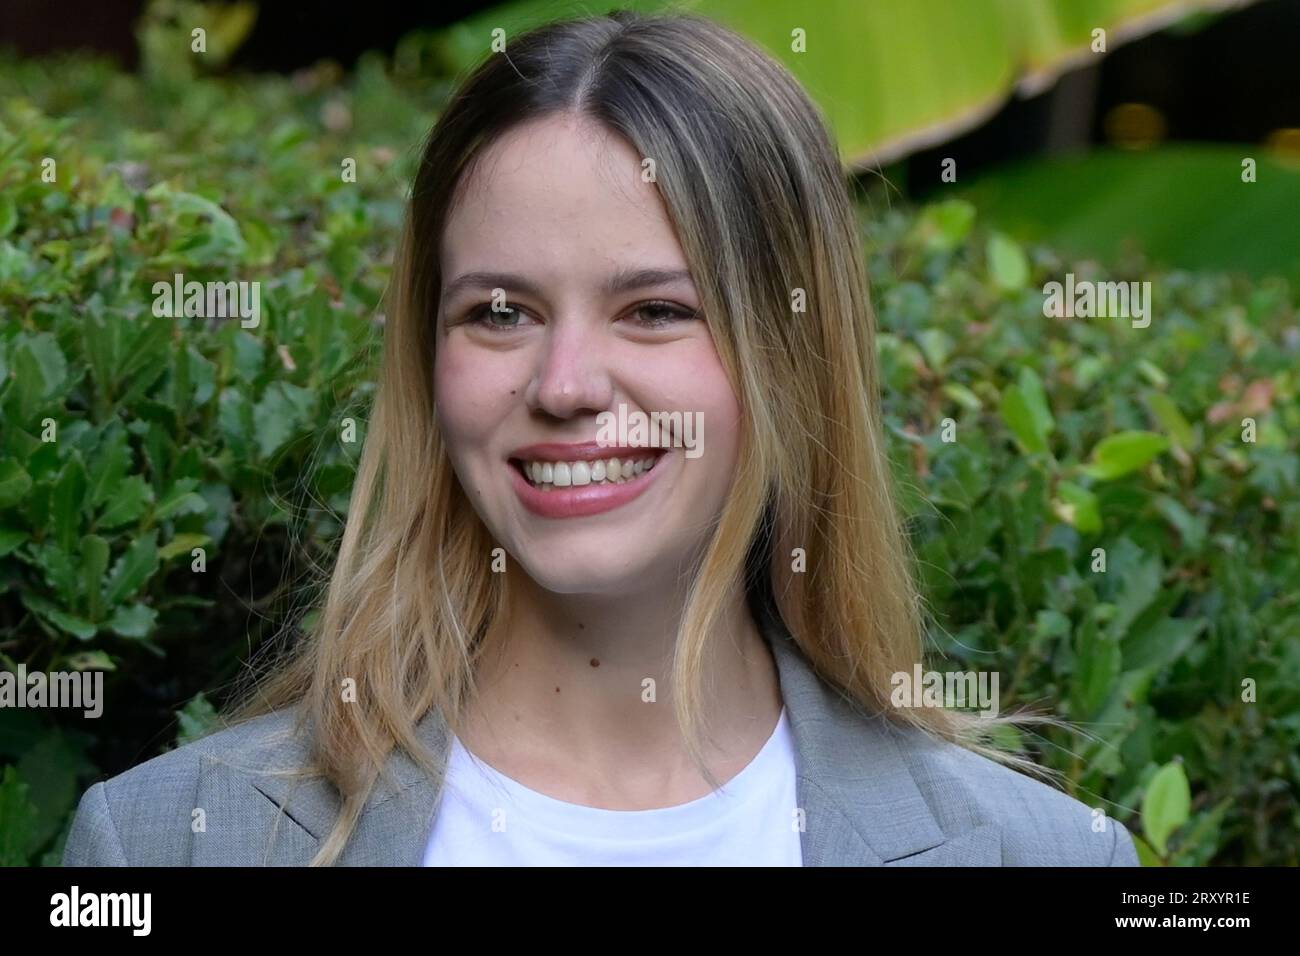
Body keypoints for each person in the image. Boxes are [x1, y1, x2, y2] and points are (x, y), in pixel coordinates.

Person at [64, 10, 1138, 867]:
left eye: (656, 309)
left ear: (791, 353)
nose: (565, 385)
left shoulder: (1038, 855)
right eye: (499, 311)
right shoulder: (165, 840)